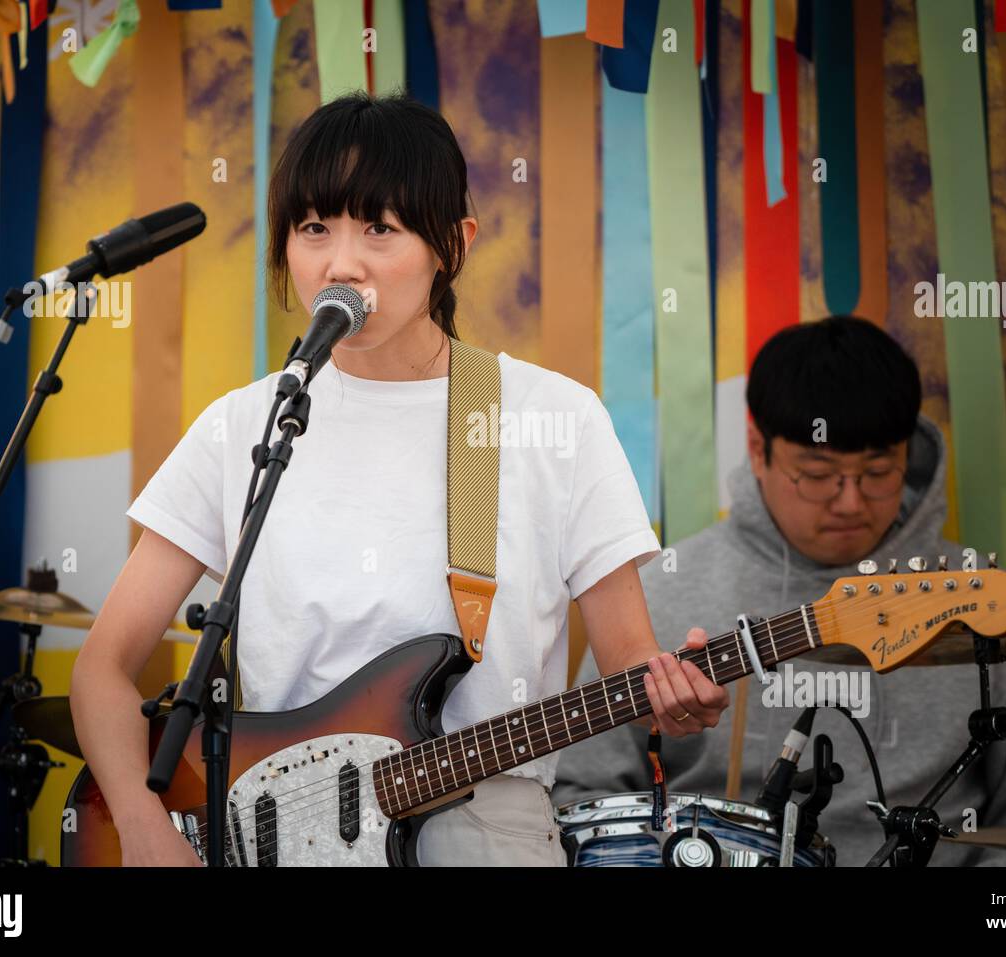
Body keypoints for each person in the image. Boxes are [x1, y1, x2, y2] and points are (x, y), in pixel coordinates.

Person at [69, 91, 727, 867]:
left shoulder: (554, 416)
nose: (340, 263)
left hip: (486, 831)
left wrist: (679, 699)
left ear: (453, 242)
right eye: (313, 228)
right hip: (273, 839)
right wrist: (146, 831)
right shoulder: (244, 426)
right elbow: (103, 668)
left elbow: (629, 660)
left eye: (380, 228)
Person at [553, 316, 1006, 866]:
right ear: (758, 449)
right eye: (817, 472)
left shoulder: (978, 599)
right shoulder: (662, 591)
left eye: (879, 472)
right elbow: (584, 799)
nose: (851, 502)